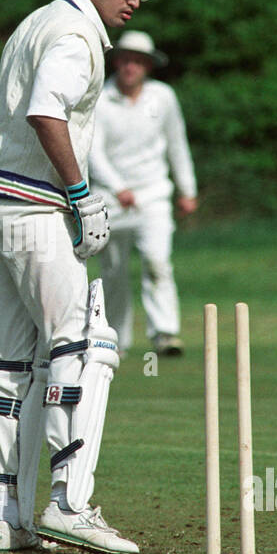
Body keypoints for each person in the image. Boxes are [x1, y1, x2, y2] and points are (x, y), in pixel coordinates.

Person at [0, 0, 166, 553]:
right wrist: (80, 193)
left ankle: (5, 514)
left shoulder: (35, 21)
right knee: (87, 343)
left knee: (12, 363)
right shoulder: (76, 35)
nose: (133, 3)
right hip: (30, 205)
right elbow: (44, 110)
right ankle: (69, 503)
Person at [89, 31, 197, 357]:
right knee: (113, 271)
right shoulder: (100, 98)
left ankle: (165, 334)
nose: (130, 66)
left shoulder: (162, 97)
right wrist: (118, 187)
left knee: (157, 262)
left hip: (153, 193)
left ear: (147, 65)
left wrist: (187, 189)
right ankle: (117, 339)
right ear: (117, 61)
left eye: (138, 61)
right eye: (125, 59)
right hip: (110, 198)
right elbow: (93, 152)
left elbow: (177, 143)